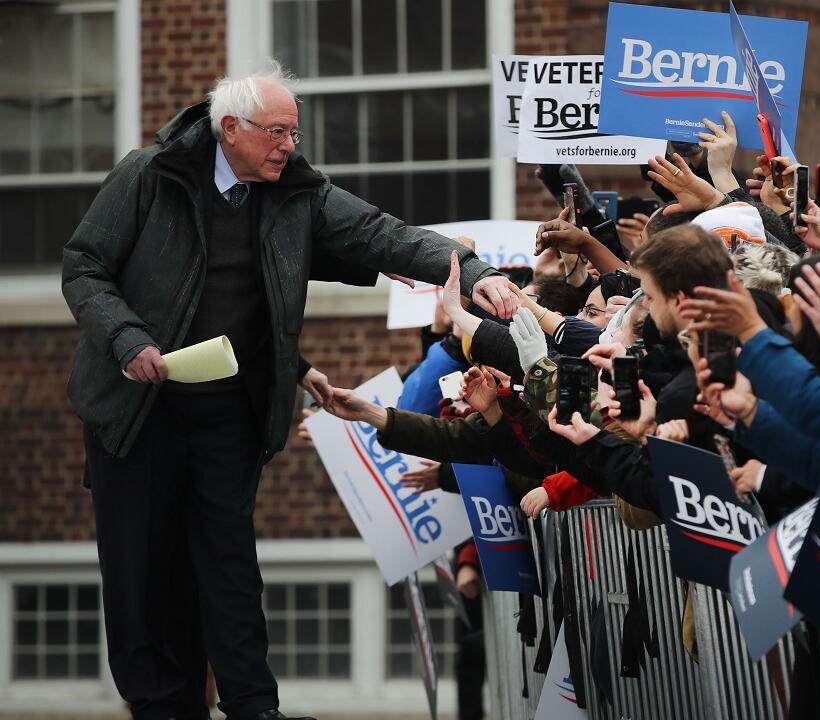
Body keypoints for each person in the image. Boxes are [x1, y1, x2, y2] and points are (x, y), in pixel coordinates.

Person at [62, 62, 517, 720]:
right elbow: (84, 265)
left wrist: (471, 270)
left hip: (229, 413)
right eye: (277, 132)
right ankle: (164, 708)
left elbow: (382, 236)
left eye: (294, 134)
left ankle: (254, 708)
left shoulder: (296, 193)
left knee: (228, 569)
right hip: (135, 415)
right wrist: (128, 341)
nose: (289, 147)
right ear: (229, 130)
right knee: (142, 578)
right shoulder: (148, 175)